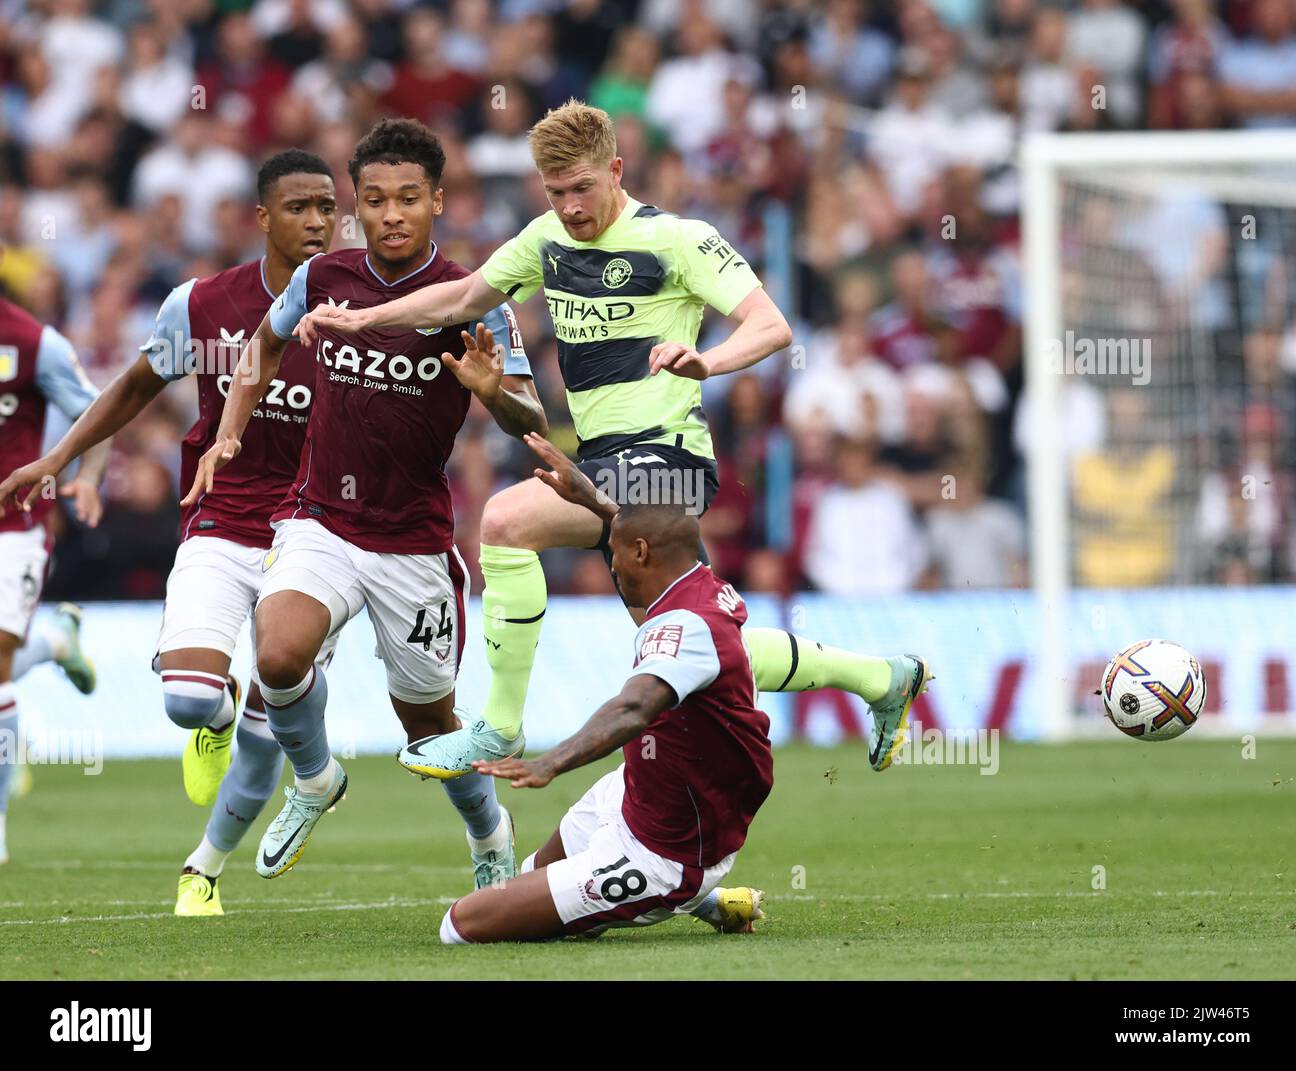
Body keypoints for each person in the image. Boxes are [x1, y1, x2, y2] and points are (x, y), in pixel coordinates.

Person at [294, 99, 928, 780]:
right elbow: (458, 300)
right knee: (697, 642)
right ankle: (882, 676)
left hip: (669, 460)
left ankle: (498, 729)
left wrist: (705, 362)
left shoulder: (678, 239)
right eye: (556, 191)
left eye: (582, 188)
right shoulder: (545, 240)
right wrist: (364, 320)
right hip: (600, 462)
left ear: (617, 170)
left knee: (505, 521)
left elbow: (771, 325)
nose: (569, 206)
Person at [182, 118, 548, 887]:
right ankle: (314, 778)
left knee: (429, 729)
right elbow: (263, 346)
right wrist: (227, 431)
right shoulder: (321, 279)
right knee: (276, 654)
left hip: (412, 543)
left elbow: (535, 422)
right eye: (373, 200)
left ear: (438, 201)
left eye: (407, 199)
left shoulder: (474, 297)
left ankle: (489, 831)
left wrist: (494, 394)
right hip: (321, 521)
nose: (389, 215)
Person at [0, 150, 343, 912]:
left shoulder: (362, 312)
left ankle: (203, 869)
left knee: (269, 735)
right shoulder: (199, 305)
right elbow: (133, 385)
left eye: (328, 206)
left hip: (318, 535)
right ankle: (213, 720)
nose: (317, 221)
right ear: (263, 218)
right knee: (189, 701)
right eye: (299, 207)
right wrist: (60, 457)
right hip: (222, 516)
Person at [444, 491, 772, 943]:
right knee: (526, 876)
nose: (611, 565)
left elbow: (634, 707)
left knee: (461, 926)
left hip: (665, 854)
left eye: (613, 551)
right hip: (636, 792)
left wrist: (550, 763)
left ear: (640, 551)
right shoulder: (698, 582)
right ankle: (705, 901)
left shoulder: (688, 625)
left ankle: (687, 893)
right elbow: (651, 523)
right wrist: (584, 491)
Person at [0, 292, 107, 866]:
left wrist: (89, 474)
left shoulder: (34, 342)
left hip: (12, 526)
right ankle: (56, 643)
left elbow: (99, 410)